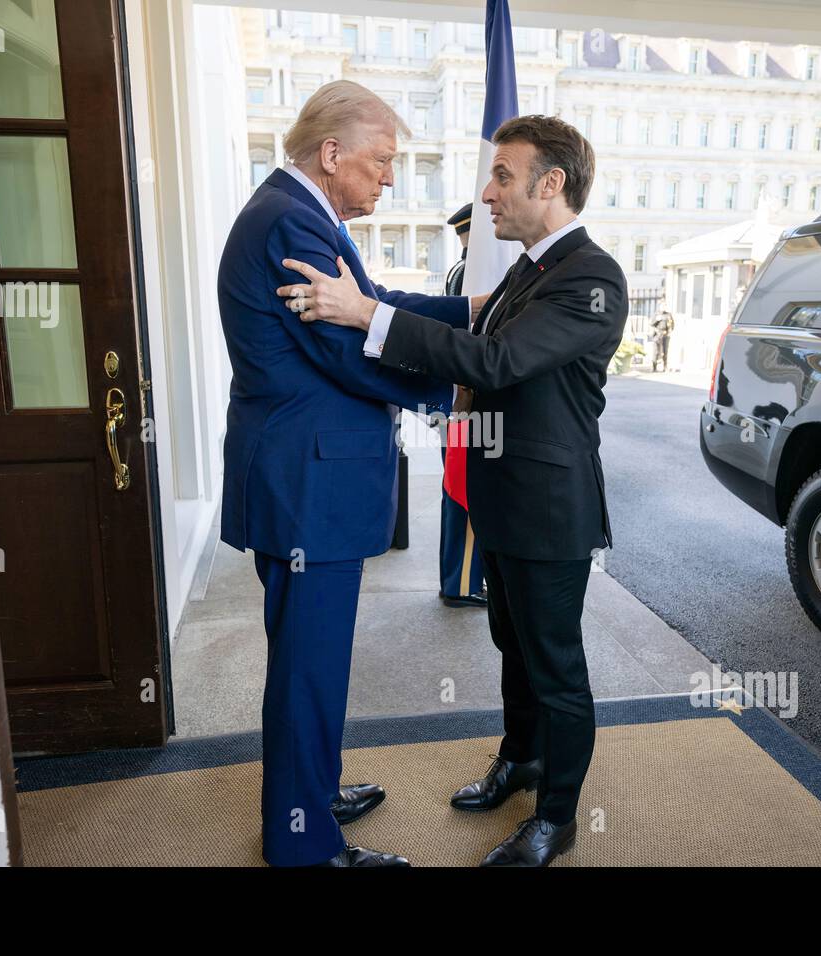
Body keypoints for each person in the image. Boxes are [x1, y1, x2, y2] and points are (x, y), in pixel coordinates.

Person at [278, 115, 628, 866]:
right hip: (504, 498)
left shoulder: (591, 277)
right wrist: (379, 306)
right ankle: (522, 760)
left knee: (556, 665)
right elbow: (470, 336)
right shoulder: (531, 268)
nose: (488, 192)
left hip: (550, 509)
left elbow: (496, 360)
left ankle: (556, 820)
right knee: (512, 644)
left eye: (503, 175)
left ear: (552, 183)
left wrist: (368, 314)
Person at [216, 80, 478, 867]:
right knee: (307, 665)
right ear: (332, 155)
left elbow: (368, 304)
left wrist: (472, 312)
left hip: (302, 479)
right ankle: (302, 844)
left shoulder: (293, 211)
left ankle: (315, 788)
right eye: (382, 161)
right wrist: (460, 383)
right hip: (308, 488)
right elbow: (347, 347)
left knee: (312, 657)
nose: (390, 178)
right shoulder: (292, 221)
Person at [438, 202, 487, 609]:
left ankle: (457, 575)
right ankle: (463, 581)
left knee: (457, 490)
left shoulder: (459, 269)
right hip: (469, 400)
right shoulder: (478, 273)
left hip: (456, 396)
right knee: (468, 492)